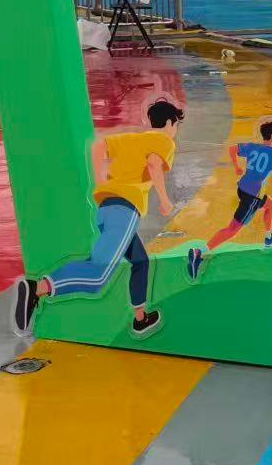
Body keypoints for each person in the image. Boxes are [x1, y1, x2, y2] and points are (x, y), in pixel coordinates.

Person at [12, 99, 183, 340]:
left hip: (107, 208)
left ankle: (140, 318)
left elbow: (98, 147)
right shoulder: (164, 140)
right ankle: (37, 288)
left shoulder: (133, 139)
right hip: (125, 210)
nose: (175, 131)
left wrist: (100, 182)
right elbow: (154, 164)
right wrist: (165, 201)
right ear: (169, 123)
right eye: (175, 126)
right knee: (98, 276)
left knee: (140, 261)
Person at [187, 119, 272, 280]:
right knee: (232, 230)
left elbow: (232, 149)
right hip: (253, 196)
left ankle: (268, 237)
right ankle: (199, 252)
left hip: (242, 188)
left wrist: (237, 166)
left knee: (270, 204)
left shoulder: (253, 147)